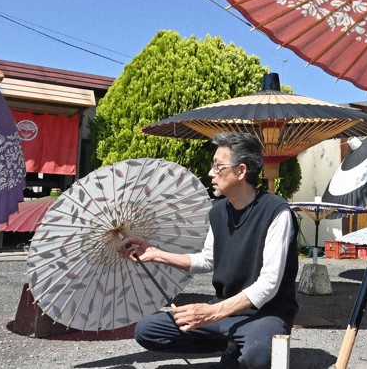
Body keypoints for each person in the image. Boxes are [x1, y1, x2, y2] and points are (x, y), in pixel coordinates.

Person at [124, 132, 299, 369]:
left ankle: (239, 348)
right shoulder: (218, 211)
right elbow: (207, 260)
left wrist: (211, 313)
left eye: (218, 166)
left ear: (241, 171)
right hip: (223, 312)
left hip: (264, 314)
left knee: (259, 356)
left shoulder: (276, 211)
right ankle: (229, 344)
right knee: (147, 330)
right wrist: (156, 254)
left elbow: (268, 284)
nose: (210, 173)